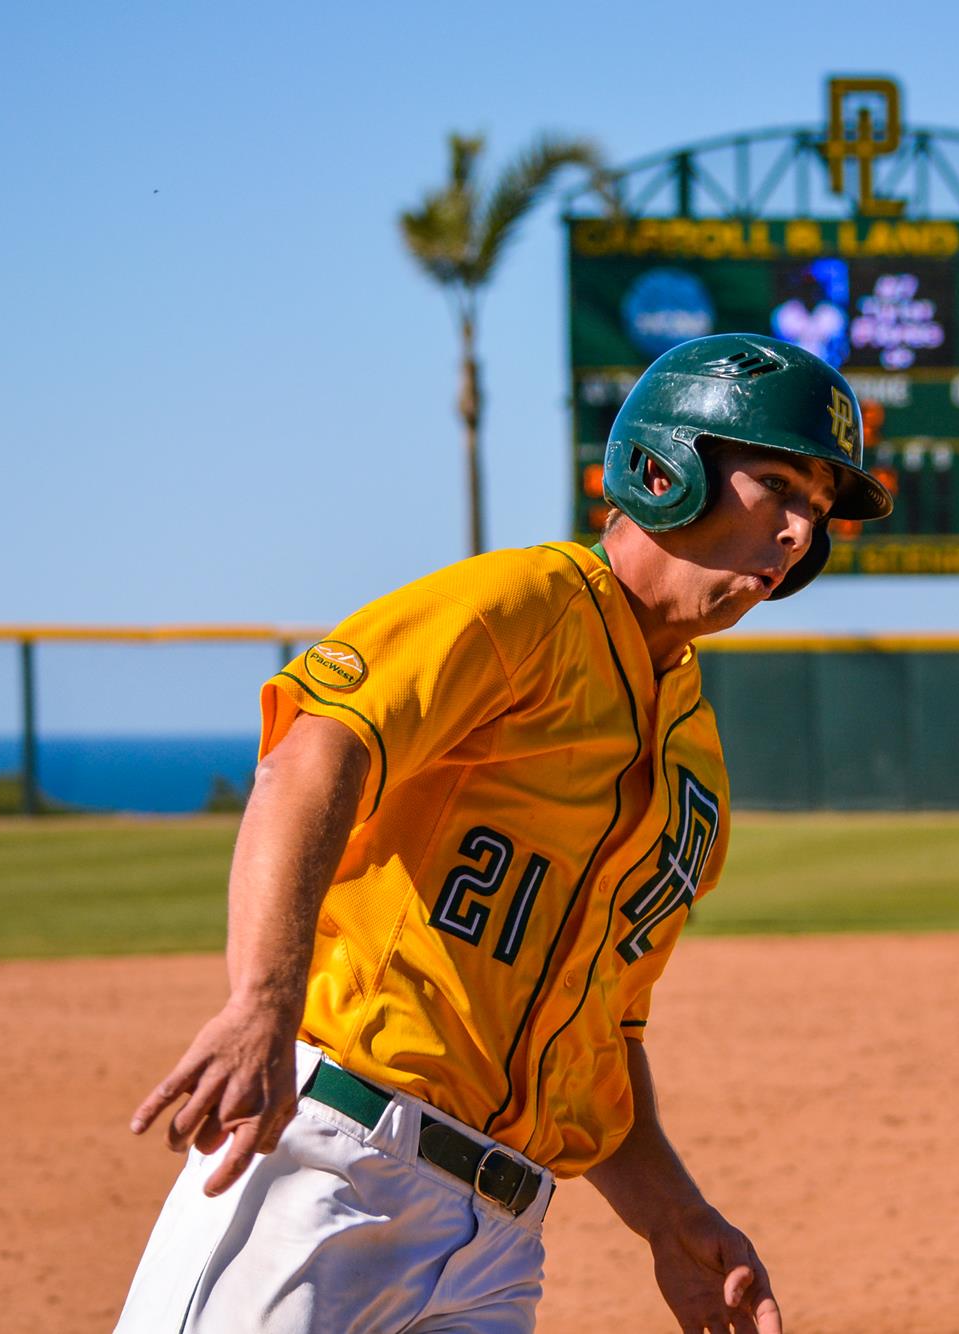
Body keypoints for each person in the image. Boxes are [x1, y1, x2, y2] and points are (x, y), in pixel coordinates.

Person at [116, 332, 892, 1334]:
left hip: (497, 1237)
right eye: (778, 483)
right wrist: (260, 1000)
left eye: (817, 513)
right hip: (325, 1167)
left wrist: (671, 1216)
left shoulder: (694, 761)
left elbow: (602, 1031)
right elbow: (314, 753)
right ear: (667, 466)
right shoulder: (523, 606)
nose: (797, 532)